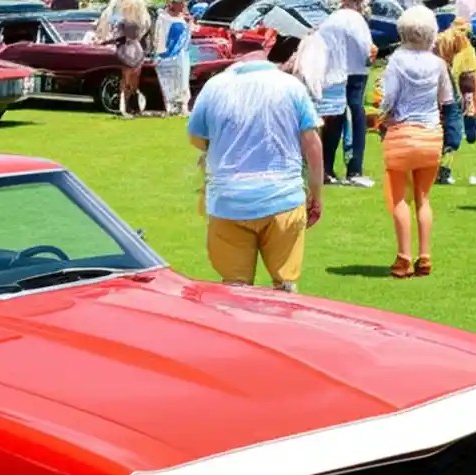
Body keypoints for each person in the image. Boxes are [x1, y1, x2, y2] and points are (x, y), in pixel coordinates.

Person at [188, 51, 324, 293]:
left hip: (228, 201)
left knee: (235, 289)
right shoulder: (291, 86)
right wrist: (316, 194)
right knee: (285, 286)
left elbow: (197, 138)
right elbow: (312, 144)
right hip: (283, 198)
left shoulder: (214, 87)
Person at [379, 6, 453, 278]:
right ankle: (425, 256)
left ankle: (403, 258)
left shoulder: (397, 60)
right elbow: (446, 98)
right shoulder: (438, 63)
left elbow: (389, 97)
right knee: (423, 199)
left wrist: (383, 117)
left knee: (399, 199)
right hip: (430, 133)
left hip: (401, 133)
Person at [314, 0, 376, 187]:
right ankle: (354, 167)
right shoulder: (355, 19)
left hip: (333, 72)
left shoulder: (329, 20)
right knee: (356, 116)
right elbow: (367, 49)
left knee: (335, 118)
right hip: (355, 71)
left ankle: (326, 168)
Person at [434, 19, 476, 185]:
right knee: (450, 134)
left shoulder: (437, 47)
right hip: (444, 96)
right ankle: (440, 170)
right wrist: (472, 108)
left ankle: (438, 170)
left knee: (445, 133)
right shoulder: (461, 48)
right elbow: (469, 82)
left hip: (442, 97)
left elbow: (468, 80)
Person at [100, 0, 149, 117]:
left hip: (130, 47)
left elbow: (117, 35)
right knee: (130, 78)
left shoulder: (125, 17)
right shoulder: (136, 17)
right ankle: (126, 105)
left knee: (129, 78)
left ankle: (127, 105)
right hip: (133, 47)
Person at [154, 0, 192, 116]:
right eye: (181, 3)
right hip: (168, 55)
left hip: (182, 55)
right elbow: (159, 37)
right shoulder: (163, 18)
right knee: (170, 81)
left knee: (182, 80)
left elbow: (187, 36)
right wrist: (161, 54)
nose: (184, 6)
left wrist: (189, 24)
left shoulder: (183, 18)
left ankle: (182, 105)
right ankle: (172, 105)